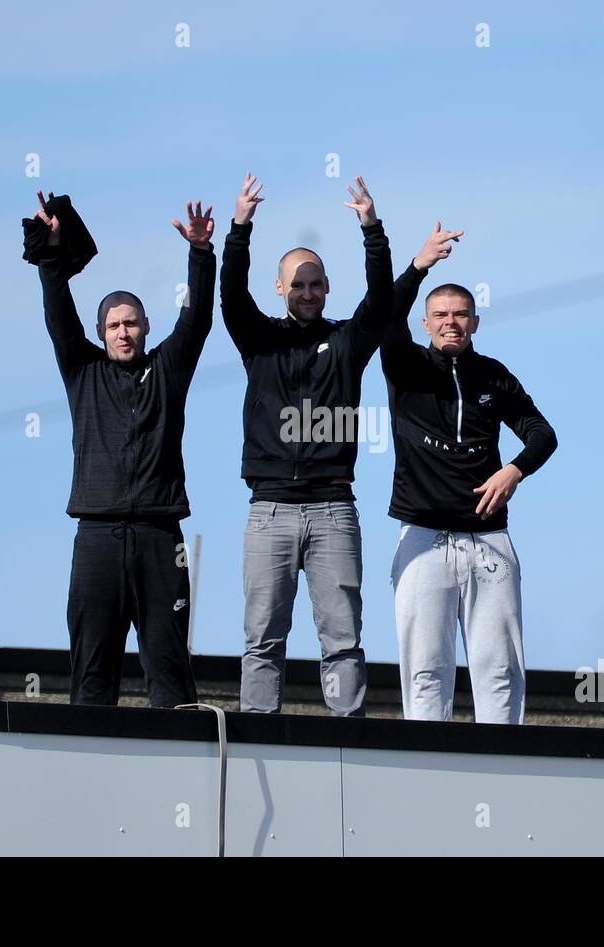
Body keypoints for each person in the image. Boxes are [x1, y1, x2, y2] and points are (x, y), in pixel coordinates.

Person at [25, 189, 216, 708]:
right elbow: (56, 311)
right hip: (97, 537)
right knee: (91, 672)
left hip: (161, 536)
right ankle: (88, 777)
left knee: (170, 672)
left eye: (131, 322)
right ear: (100, 332)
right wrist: (49, 253)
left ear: (147, 327)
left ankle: (180, 776)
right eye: (113, 324)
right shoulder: (82, 370)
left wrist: (200, 254)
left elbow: (196, 321)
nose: (123, 331)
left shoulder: (168, 370)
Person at [219, 173, 395, 715]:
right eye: (297, 284)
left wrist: (371, 228)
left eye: (316, 284)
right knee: (262, 639)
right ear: (280, 290)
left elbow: (383, 300)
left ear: (327, 288)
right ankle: (257, 739)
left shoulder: (347, 343)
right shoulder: (259, 339)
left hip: (334, 509)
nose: (308, 292)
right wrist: (240, 228)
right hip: (268, 511)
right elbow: (229, 294)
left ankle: (347, 742)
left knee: (342, 640)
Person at [382, 228, 558, 724]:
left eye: (460, 314)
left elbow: (544, 434)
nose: (451, 323)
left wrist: (514, 471)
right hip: (423, 537)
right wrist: (419, 266)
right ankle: (425, 771)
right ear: (426, 322)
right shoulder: (404, 363)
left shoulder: (494, 374)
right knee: (425, 672)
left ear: (476, 321)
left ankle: (501, 772)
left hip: (489, 541)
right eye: (441, 315)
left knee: (499, 668)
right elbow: (385, 315)